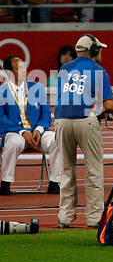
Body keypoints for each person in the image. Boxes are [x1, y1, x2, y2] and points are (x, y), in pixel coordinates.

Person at [55, 35, 113, 229]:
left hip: (61, 119)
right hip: (86, 120)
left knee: (67, 169)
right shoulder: (99, 70)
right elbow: (108, 103)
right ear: (93, 50)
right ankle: (94, 218)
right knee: (93, 170)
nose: (101, 52)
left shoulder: (65, 69)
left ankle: (65, 217)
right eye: (99, 48)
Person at [0, 56, 62, 195]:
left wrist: (39, 130)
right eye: (19, 67)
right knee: (13, 143)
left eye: (24, 66)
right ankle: (5, 183)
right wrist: (22, 131)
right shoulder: (1, 91)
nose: (24, 70)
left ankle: (54, 182)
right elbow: (1, 119)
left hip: (37, 133)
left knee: (58, 139)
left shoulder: (37, 88)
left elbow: (46, 114)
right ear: (9, 73)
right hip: (15, 132)